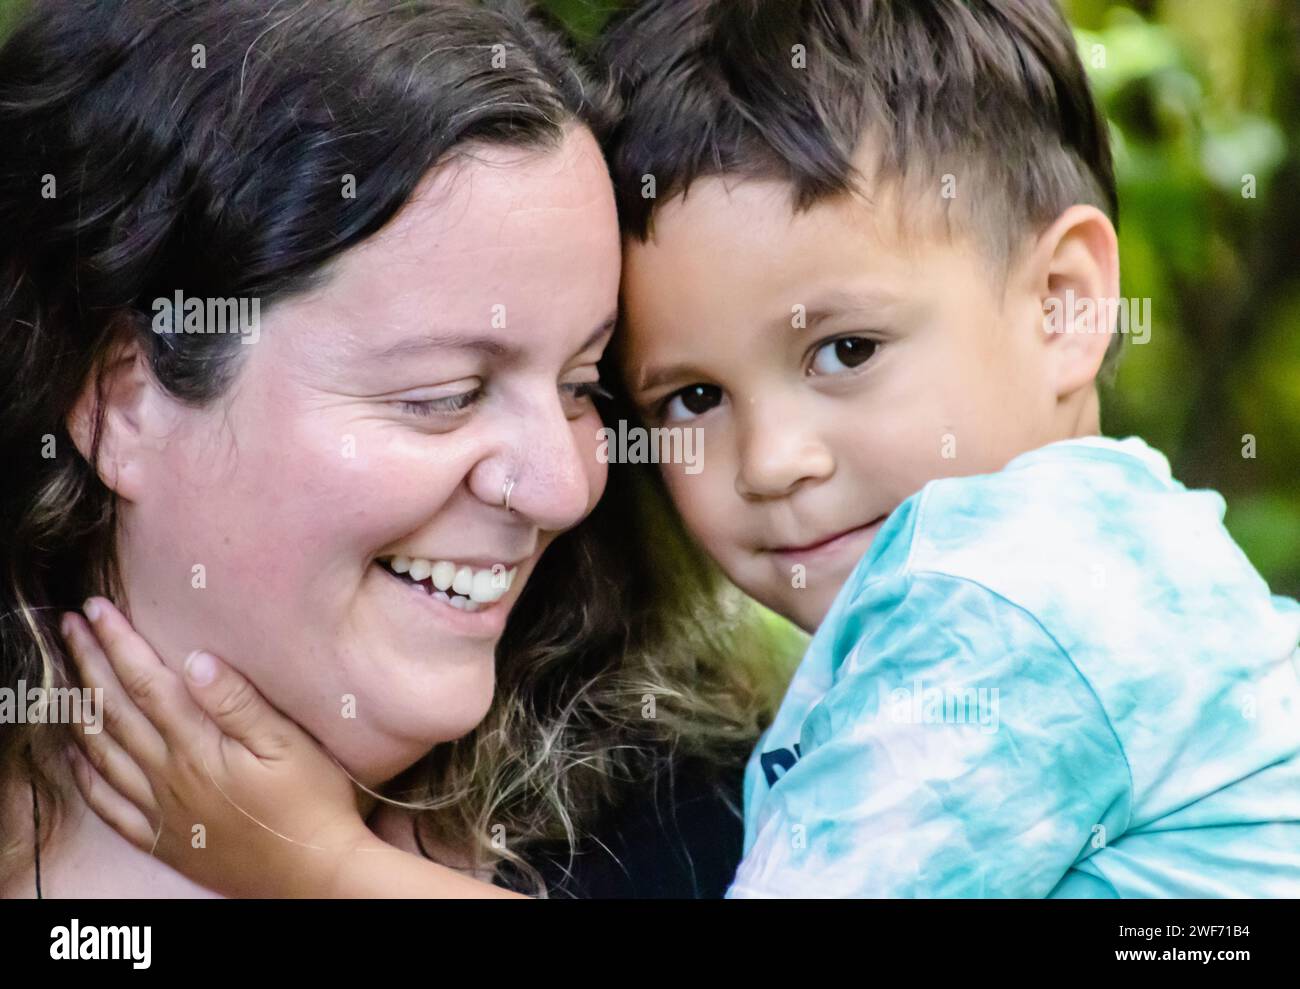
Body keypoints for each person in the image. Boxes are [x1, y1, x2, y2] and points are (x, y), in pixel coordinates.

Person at [59, 0, 1300, 898]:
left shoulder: (1006, 611)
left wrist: (317, 866)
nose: (773, 460)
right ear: (121, 394)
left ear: (1066, 300)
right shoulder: (1101, 575)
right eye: (686, 396)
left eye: (845, 352)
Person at [0, 0, 790, 900]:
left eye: (582, 386)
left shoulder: (724, 836)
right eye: (442, 397)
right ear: (121, 403)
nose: (563, 488)